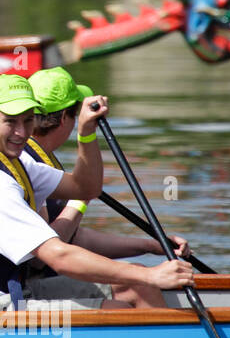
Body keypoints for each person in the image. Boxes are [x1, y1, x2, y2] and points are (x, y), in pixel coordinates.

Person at [0, 74, 194, 313]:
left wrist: (85, 133)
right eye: (11, 122)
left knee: (137, 285)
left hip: (5, 286)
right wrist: (151, 273)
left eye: (28, 121)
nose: (22, 132)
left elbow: (86, 188)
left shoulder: (12, 160)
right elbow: (58, 255)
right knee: (122, 309)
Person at [25, 66, 193, 259]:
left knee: (136, 273)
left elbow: (75, 238)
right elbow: (42, 255)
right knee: (136, 280)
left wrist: (153, 245)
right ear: (64, 118)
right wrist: (81, 197)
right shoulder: (28, 164)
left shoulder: (40, 157)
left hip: (48, 272)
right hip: (24, 284)